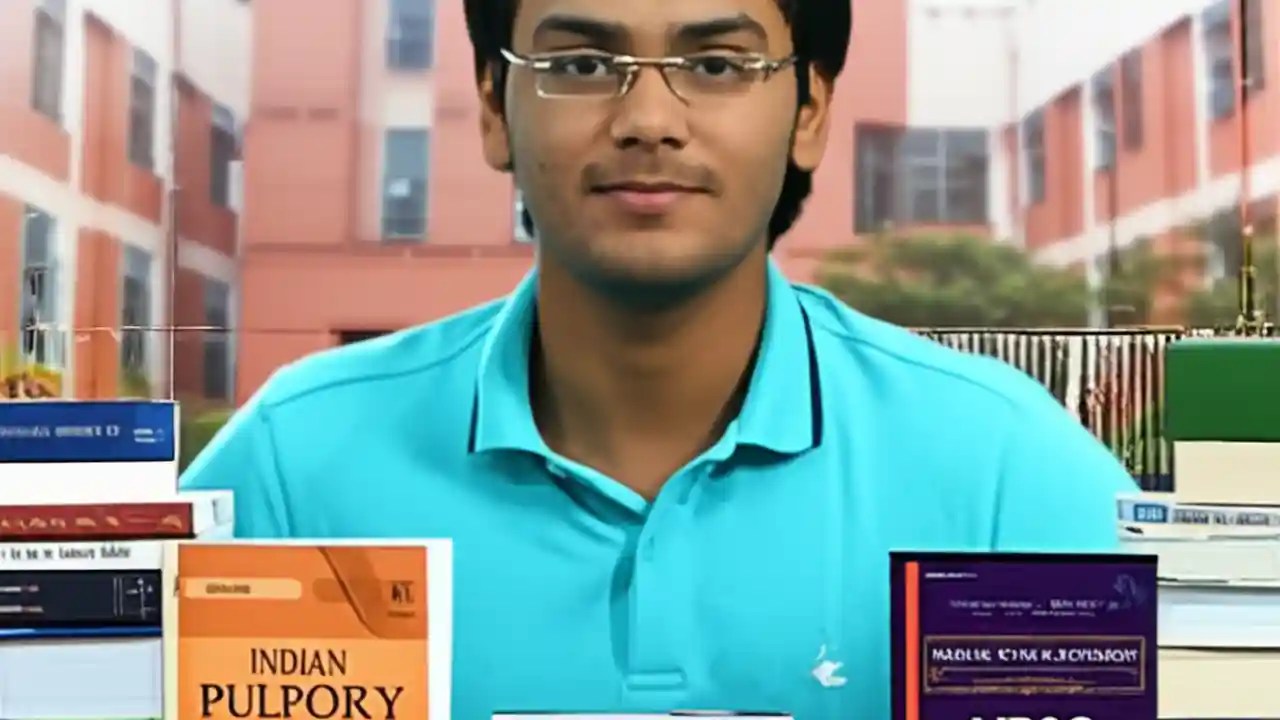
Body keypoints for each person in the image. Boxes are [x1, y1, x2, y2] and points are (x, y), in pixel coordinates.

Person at [180, 0, 1138, 718]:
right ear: (490, 106)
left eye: (718, 65)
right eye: (584, 62)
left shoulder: (1005, 478)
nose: (648, 117)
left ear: (808, 110)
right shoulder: (295, 466)